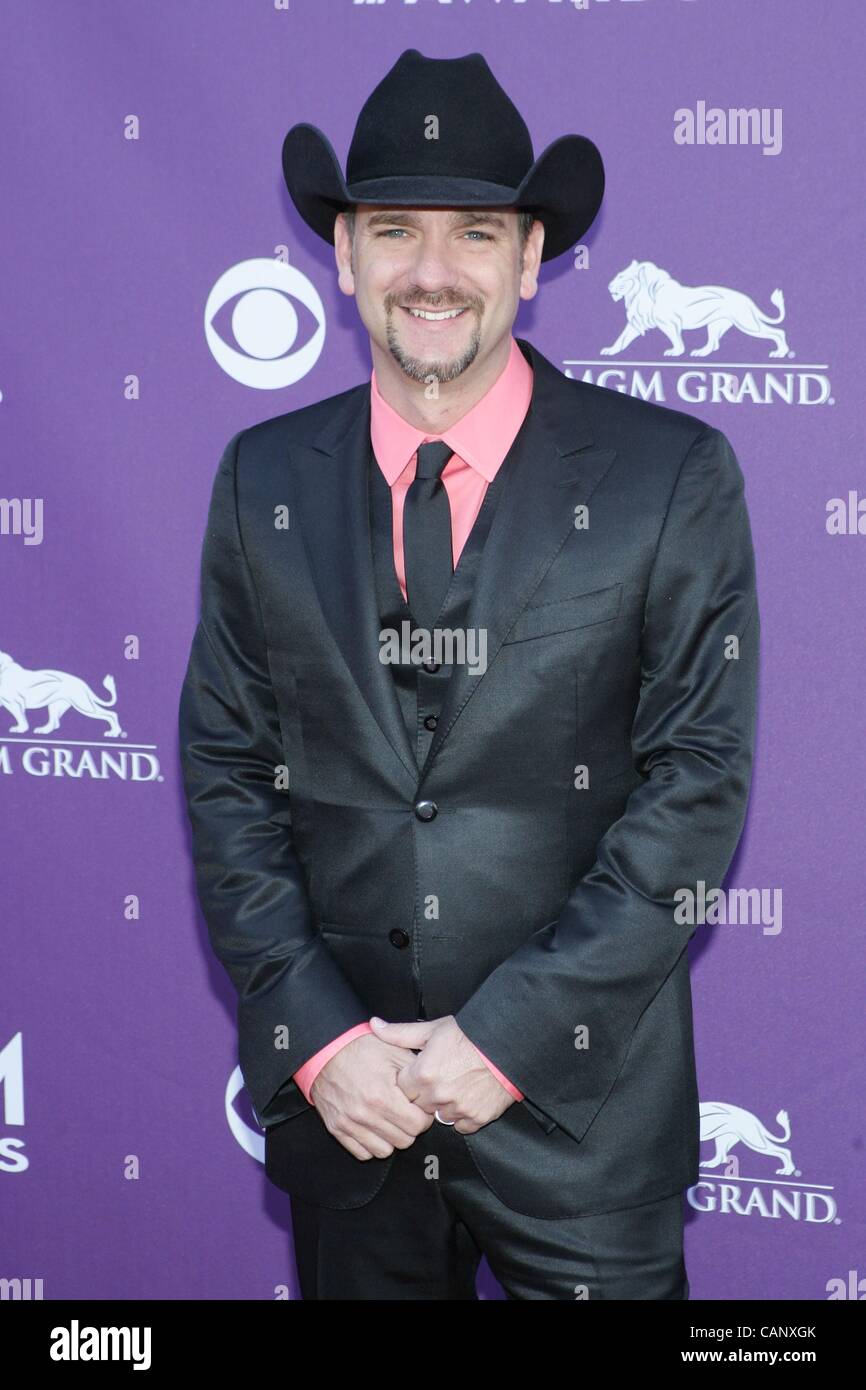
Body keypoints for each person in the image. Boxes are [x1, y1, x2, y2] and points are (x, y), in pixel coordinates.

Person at [178, 48, 759, 1300]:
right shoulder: (260, 479)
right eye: (393, 229)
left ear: (528, 260)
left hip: (578, 1121)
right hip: (355, 1119)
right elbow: (228, 771)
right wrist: (321, 1040)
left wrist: (504, 1040)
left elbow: (694, 785)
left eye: (475, 233)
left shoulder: (670, 475)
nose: (431, 270)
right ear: (341, 256)